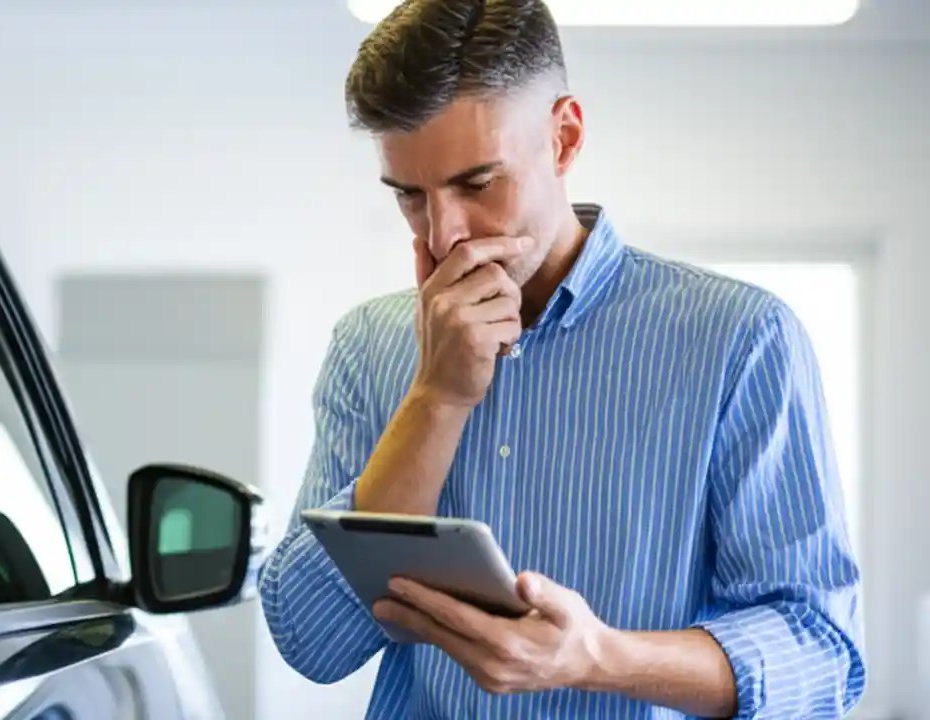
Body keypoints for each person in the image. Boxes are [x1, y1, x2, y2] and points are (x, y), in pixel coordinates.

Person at [258, 1, 865, 717]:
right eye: (410, 198)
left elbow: (819, 652)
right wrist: (436, 399)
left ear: (565, 137)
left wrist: (598, 658)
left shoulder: (741, 339)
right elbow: (311, 643)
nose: (446, 232)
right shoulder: (369, 347)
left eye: (477, 183)